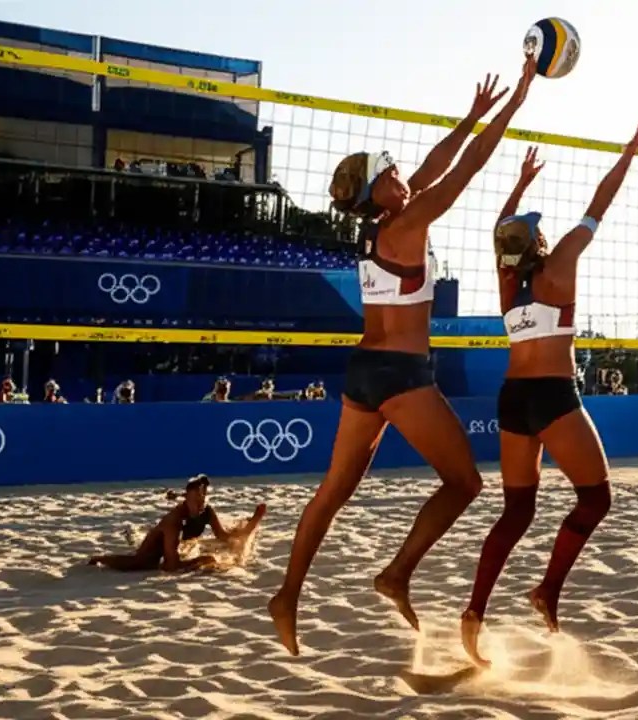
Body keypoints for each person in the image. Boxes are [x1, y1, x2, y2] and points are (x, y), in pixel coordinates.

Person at [268, 55, 538, 656]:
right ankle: (396, 573)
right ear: (378, 188)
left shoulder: (388, 222)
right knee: (465, 483)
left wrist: (471, 114)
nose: (401, 171)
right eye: (391, 168)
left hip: (364, 372)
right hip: (400, 375)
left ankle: (287, 596)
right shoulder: (409, 218)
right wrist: (515, 104)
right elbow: (462, 172)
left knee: (332, 492)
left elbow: (436, 166)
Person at [460, 112, 638, 667]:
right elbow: (600, 204)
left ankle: (474, 612)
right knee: (596, 498)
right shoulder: (560, 263)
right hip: (552, 395)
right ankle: (547, 590)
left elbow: (501, 231)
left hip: (512, 398)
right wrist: (629, 153)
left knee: (516, 511)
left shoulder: (506, 282)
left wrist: (519, 185)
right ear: (540, 241)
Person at [88, 474, 266, 572]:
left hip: (173, 545)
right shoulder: (174, 521)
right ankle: (99, 558)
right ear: (186, 499)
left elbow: (225, 536)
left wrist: (254, 521)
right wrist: (202, 561)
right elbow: (170, 566)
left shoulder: (207, 512)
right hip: (151, 554)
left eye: (203, 498)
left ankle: (133, 536)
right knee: (140, 563)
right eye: (196, 499)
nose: (200, 503)